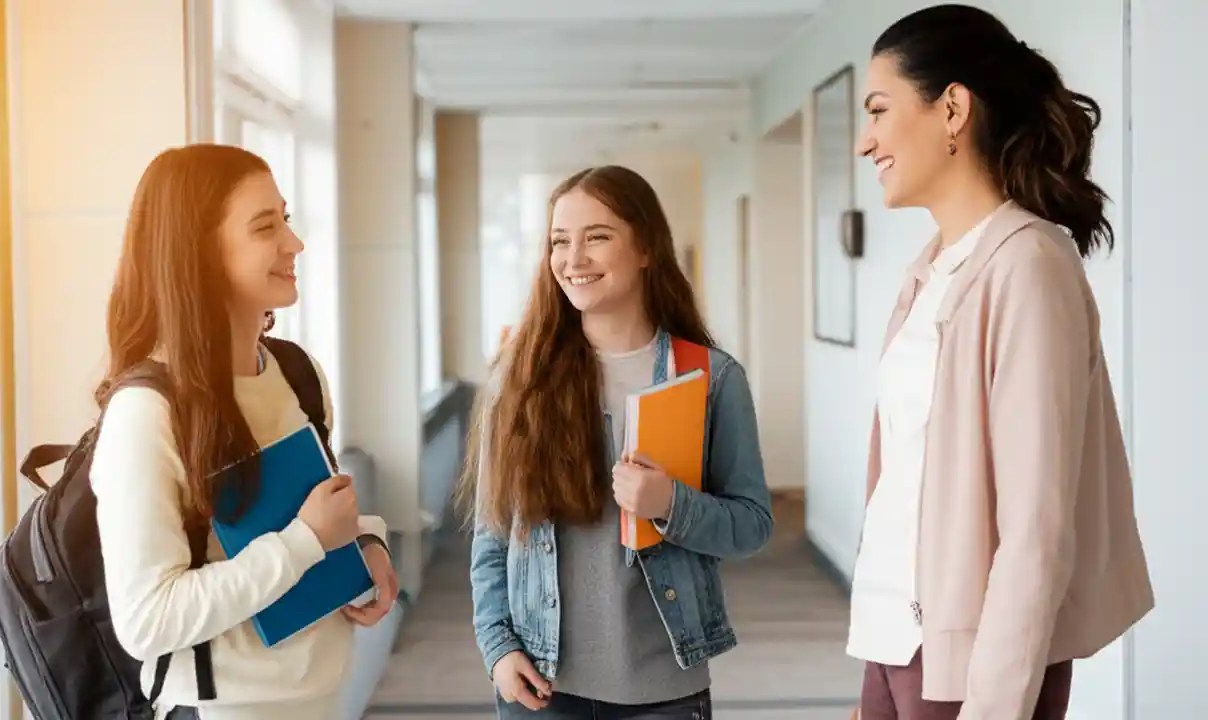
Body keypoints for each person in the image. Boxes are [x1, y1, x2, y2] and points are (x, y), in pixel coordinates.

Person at [847, 5, 1154, 719]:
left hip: (970, 668)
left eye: (880, 110)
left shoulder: (1028, 265)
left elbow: (1037, 529)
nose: (867, 142)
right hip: (893, 643)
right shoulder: (930, 271)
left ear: (952, 108)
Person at [90, 144, 399, 720]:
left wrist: (366, 541)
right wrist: (305, 543)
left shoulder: (295, 372)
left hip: (324, 697)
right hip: (223, 709)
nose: (294, 242)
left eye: (285, 218)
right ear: (199, 253)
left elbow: (312, 516)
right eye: (265, 227)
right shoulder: (147, 412)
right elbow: (148, 620)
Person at [460, 165, 774, 719]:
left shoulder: (709, 377)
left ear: (646, 247)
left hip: (662, 688)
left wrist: (670, 506)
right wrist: (497, 647)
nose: (573, 260)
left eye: (597, 237)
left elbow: (751, 524)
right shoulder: (520, 377)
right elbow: (493, 531)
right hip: (540, 684)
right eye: (560, 241)